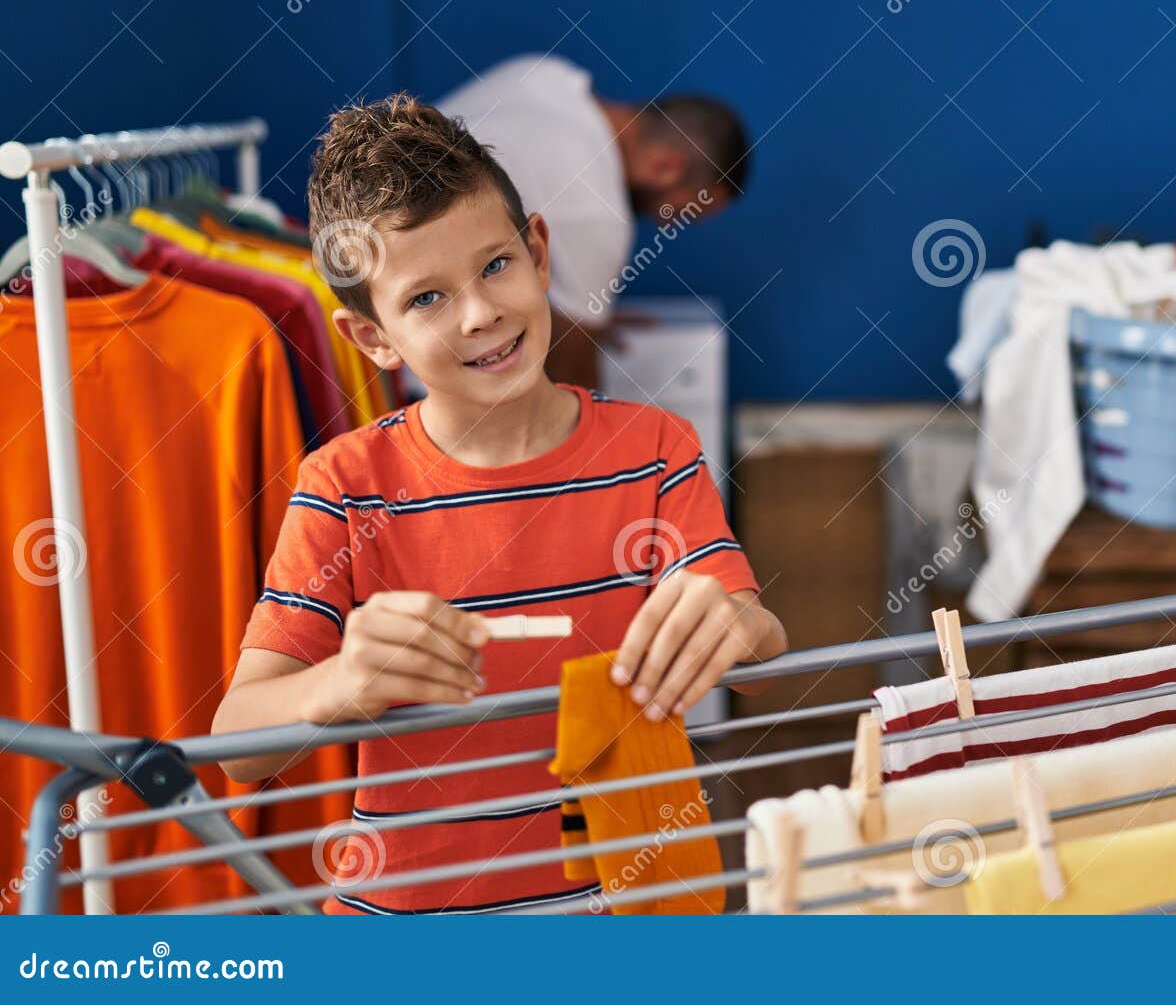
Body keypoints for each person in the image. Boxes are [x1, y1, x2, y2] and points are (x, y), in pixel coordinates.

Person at [211, 94, 785, 914]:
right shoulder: (342, 486)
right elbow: (238, 749)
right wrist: (336, 684)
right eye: (425, 299)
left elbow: (757, 661)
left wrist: (747, 627)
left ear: (540, 251)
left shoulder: (656, 453)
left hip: (626, 915)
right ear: (372, 338)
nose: (481, 313)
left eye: (494, 266)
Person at [435, 54, 750, 387]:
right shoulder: (598, 210)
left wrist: (585, 311)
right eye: (687, 212)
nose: (669, 225)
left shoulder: (548, 74)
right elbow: (571, 381)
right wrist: (583, 331)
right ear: (666, 168)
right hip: (412, 376)